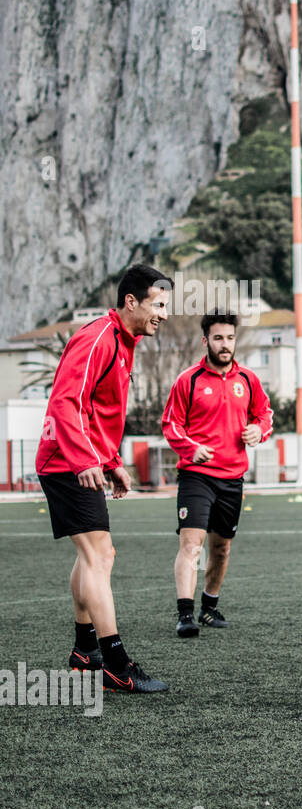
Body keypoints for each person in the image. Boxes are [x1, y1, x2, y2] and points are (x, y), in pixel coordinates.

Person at [35, 264, 172, 693]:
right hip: (65, 461)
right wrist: (83, 460)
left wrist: (110, 460)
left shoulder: (122, 341)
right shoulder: (98, 337)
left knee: (97, 553)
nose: (164, 314)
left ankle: (84, 650)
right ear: (131, 301)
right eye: (159, 305)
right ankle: (114, 663)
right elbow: (66, 402)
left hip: (76, 459)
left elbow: (96, 411)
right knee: (99, 556)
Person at [161, 310, 273, 637]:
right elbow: (171, 425)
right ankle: (185, 615)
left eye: (230, 338)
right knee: (192, 545)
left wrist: (258, 431)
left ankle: (209, 607)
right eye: (218, 338)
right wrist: (190, 448)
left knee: (221, 548)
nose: (225, 345)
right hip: (197, 475)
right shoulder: (188, 380)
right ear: (205, 341)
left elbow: (265, 415)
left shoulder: (249, 380)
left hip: (232, 478)